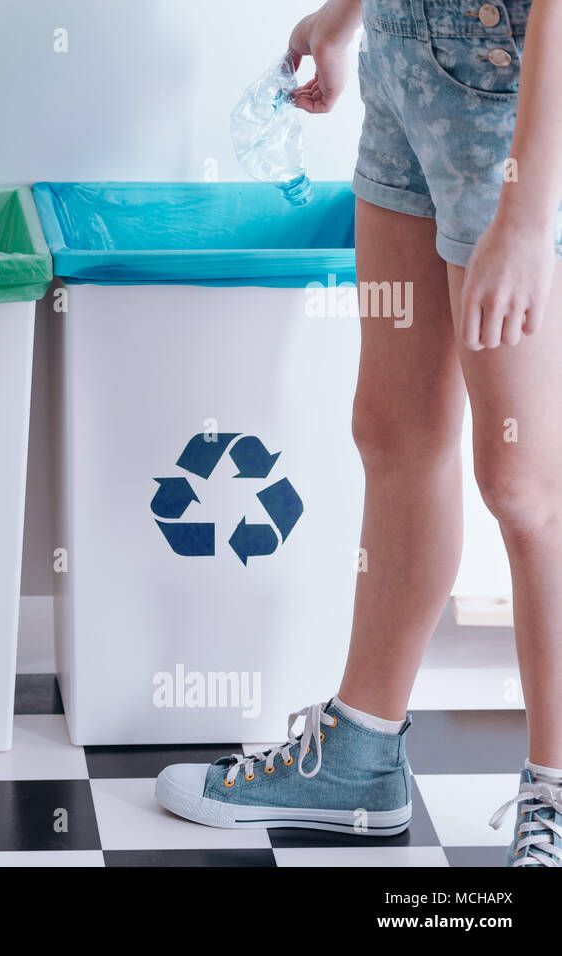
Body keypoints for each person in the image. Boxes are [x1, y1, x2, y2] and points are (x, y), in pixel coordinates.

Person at [153, 0, 562, 866]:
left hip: (512, 107)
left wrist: (527, 218)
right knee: (394, 433)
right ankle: (362, 758)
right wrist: (347, 16)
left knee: (525, 486)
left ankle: (556, 793)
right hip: (405, 75)